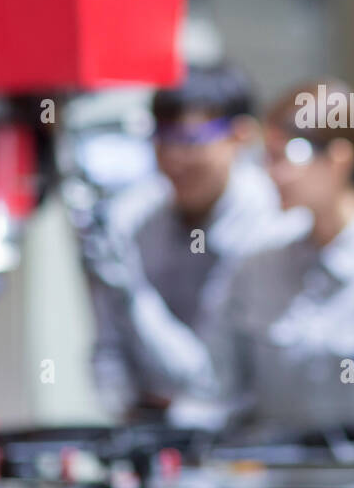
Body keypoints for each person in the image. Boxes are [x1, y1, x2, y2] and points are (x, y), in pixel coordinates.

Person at [89, 63, 306, 423]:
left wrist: (133, 295)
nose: (173, 158)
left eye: (190, 140)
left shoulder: (271, 226)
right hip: (144, 427)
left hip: (249, 437)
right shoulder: (132, 218)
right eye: (162, 138)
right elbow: (107, 346)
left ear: (241, 136)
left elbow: (211, 376)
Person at [192, 79, 354, 437]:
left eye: (285, 156)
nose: (272, 172)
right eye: (266, 157)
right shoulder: (257, 266)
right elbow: (215, 389)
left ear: (338, 158)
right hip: (274, 477)